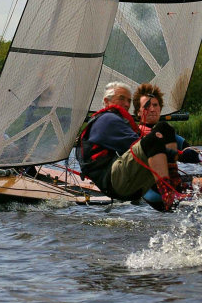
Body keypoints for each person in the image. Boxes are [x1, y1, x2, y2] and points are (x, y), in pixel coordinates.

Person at [77, 82, 191, 212]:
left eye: (129, 100)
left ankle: (171, 193)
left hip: (126, 188)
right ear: (106, 101)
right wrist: (181, 155)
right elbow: (143, 145)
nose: (126, 104)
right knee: (161, 130)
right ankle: (169, 191)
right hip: (115, 183)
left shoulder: (117, 121)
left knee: (164, 132)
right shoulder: (107, 120)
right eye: (121, 98)